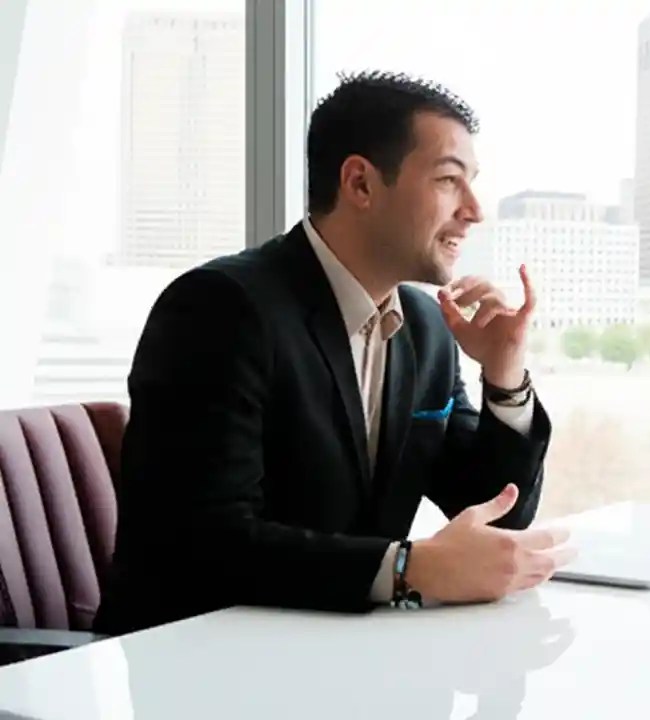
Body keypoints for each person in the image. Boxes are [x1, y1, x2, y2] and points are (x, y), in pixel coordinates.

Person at [94, 72, 574, 636]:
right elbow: (209, 542)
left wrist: (505, 374)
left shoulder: (426, 328)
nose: (474, 210)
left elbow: (499, 513)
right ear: (360, 184)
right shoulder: (218, 309)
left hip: (340, 654)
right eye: (449, 180)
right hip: (200, 662)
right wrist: (406, 568)